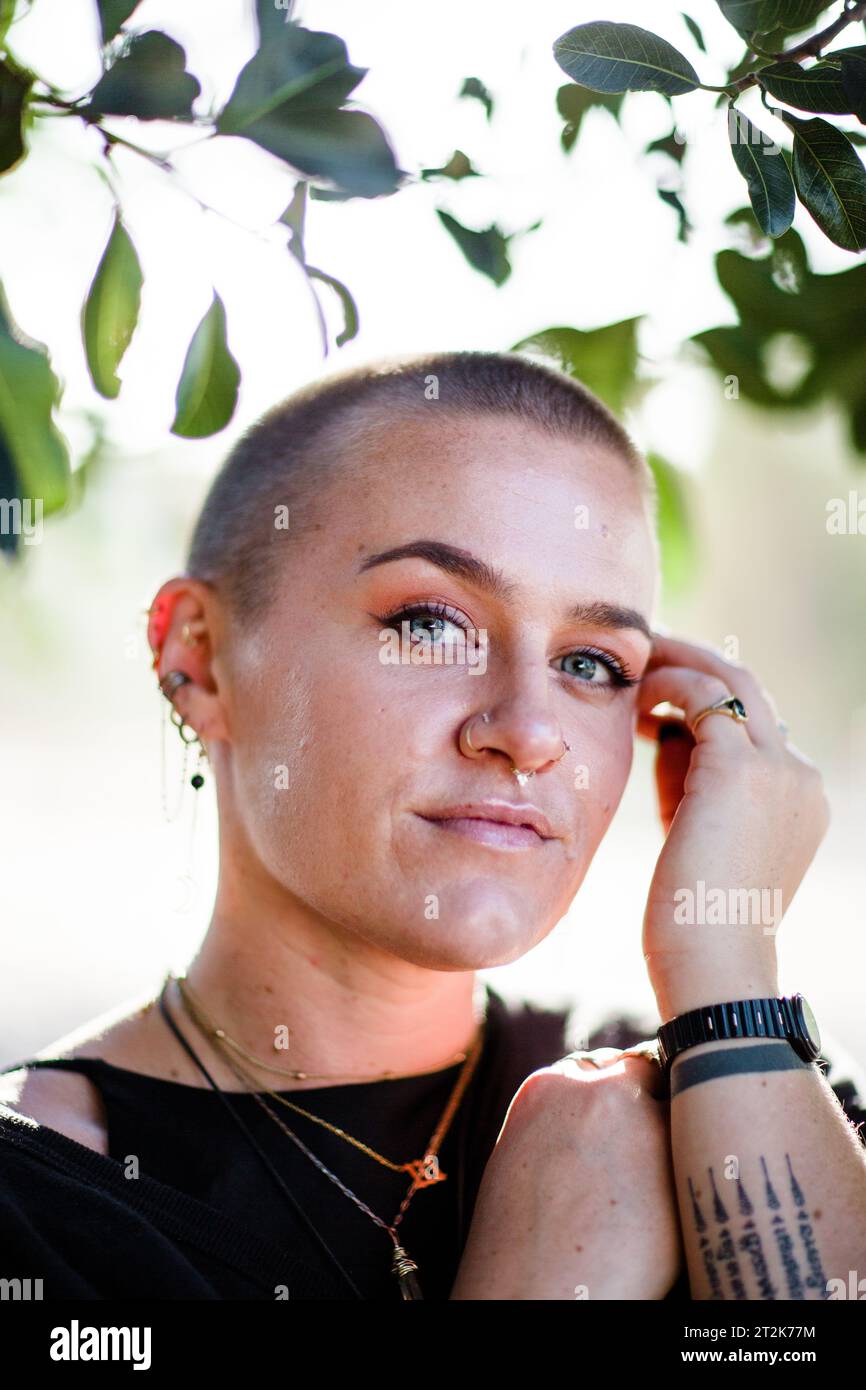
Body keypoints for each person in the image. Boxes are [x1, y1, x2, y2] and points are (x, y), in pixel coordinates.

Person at [2, 350, 865, 1302]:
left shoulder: (722, 1093)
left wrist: (728, 971)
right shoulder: (34, 1208)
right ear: (199, 661)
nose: (530, 733)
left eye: (591, 662)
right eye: (430, 624)